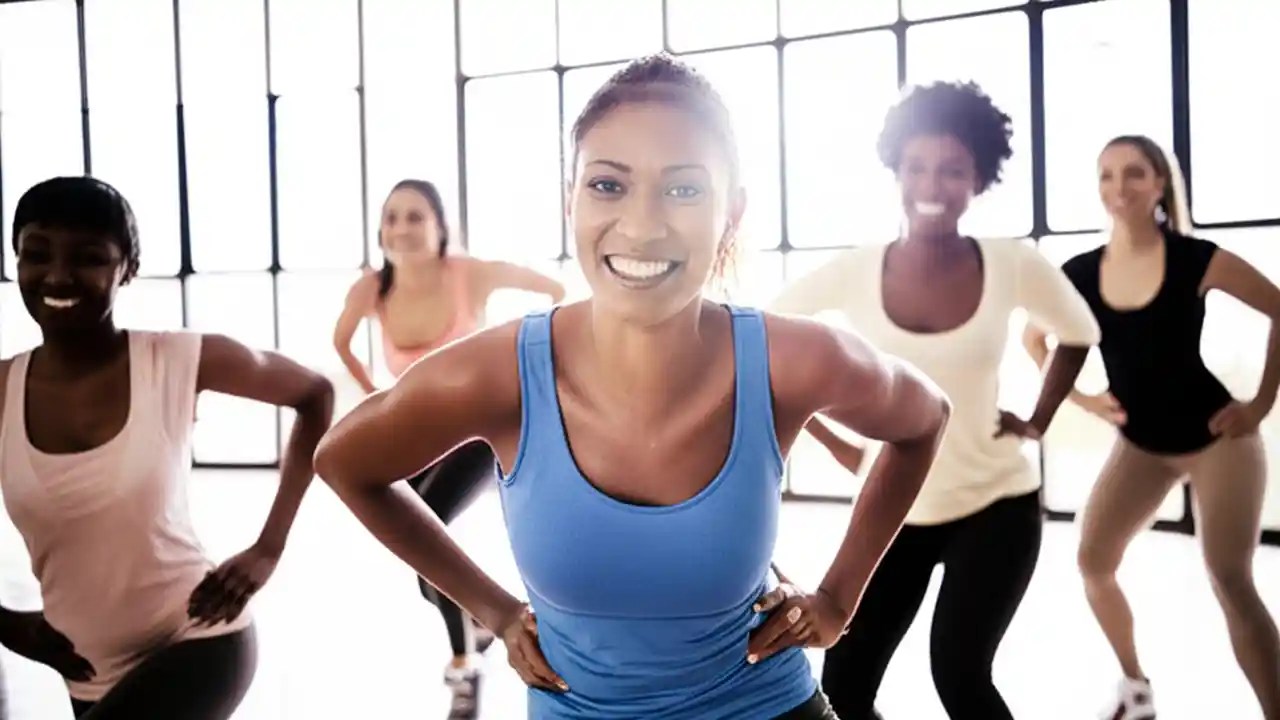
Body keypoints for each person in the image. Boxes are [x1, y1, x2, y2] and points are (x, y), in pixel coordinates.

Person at [313, 54, 953, 720]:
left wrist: (838, 601)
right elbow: (344, 463)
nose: (643, 225)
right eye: (609, 186)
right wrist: (495, 612)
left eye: (682, 189)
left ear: (730, 210)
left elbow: (923, 419)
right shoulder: (498, 372)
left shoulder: (790, 360)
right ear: (571, 200)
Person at [772, 80, 1102, 719]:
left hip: (995, 506)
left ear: (979, 179)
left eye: (953, 169)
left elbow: (1079, 332)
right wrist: (839, 441)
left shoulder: (1011, 263)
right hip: (895, 511)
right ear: (894, 170)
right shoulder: (855, 269)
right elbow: (766, 337)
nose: (933, 184)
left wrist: (1037, 419)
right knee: (846, 683)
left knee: (960, 673)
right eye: (917, 166)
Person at [0, 176, 335, 719]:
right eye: (37, 254)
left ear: (126, 267)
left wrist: (269, 547)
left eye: (88, 258)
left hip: (198, 636)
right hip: (87, 673)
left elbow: (314, 394)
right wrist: (5, 623)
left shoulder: (175, 360)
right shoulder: (2, 390)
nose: (58, 275)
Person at [1023, 134, 1280, 720]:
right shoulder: (1081, 273)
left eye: (1134, 174)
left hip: (1219, 441)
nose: (1119, 188)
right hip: (1142, 444)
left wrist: (1260, 404)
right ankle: (1135, 687)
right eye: (1107, 175)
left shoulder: (1197, 257)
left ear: (1159, 183)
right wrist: (1087, 401)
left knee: (1230, 577)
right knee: (1092, 560)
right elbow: (1035, 338)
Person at [332, 178, 565, 717]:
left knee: (428, 545)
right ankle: (479, 625)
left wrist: (519, 357)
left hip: (477, 429)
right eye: (392, 218)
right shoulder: (373, 289)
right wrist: (374, 393)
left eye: (415, 216)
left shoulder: (470, 273)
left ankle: (466, 666)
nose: (402, 228)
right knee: (425, 567)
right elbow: (340, 341)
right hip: (415, 433)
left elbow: (554, 290)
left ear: (440, 227)